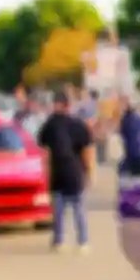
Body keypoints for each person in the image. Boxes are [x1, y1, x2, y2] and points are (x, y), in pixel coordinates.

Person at [36, 91, 94, 254]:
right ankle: (83, 241)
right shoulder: (77, 124)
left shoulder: (49, 124)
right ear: (68, 105)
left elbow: (43, 149)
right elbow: (86, 150)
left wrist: (45, 172)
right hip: (74, 171)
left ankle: (58, 240)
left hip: (57, 172)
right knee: (78, 209)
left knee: (59, 210)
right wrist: (88, 171)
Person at [117, 95, 140, 177]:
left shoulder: (128, 119)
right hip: (137, 151)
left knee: (133, 173)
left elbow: (124, 133)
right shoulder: (136, 117)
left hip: (132, 151)